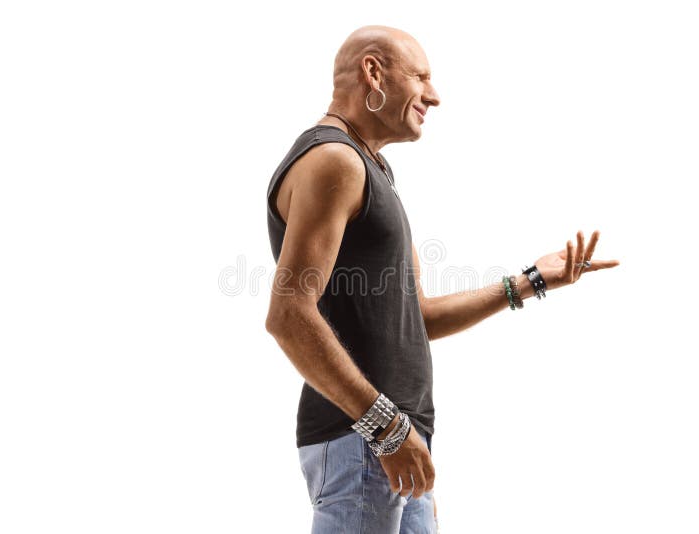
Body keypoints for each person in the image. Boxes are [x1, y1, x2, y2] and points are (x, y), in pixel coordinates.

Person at [264, 25, 620, 534]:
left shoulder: (373, 169)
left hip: (395, 446)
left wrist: (530, 281)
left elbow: (419, 317)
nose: (434, 95)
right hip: (365, 443)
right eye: (421, 77)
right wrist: (386, 430)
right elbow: (288, 316)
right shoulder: (333, 160)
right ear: (373, 72)